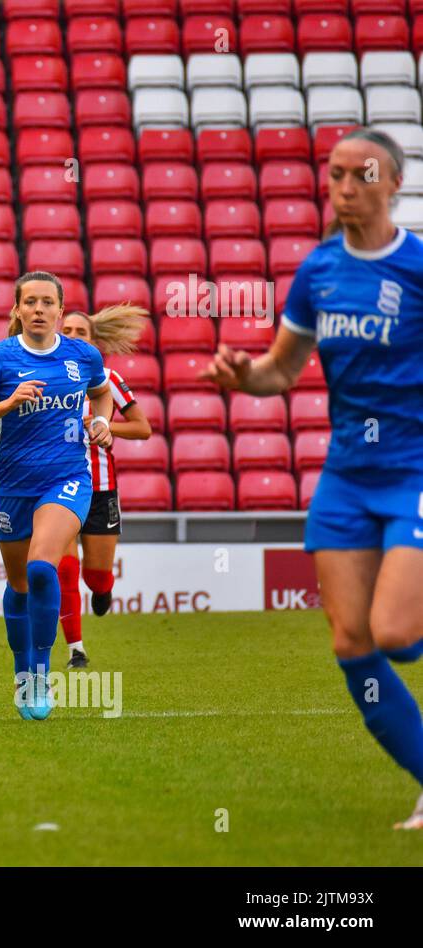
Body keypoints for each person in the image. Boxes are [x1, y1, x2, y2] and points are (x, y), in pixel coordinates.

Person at [200, 128, 423, 830]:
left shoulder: (417, 266)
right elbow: (282, 370)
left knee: (396, 632)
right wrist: (243, 378)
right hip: (347, 476)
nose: (346, 187)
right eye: (335, 176)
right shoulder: (319, 271)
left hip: (414, 469)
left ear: (394, 183)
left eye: (362, 175)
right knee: (351, 642)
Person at [0, 272, 114, 720]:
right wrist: (7, 404)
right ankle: (22, 672)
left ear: (61, 311)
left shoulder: (83, 355)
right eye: (31, 302)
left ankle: (42, 675)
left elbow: (102, 395)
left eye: (48, 302)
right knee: (20, 584)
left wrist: (101, 423)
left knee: (43, 567)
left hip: (67, 479)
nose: (39, 309)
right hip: (12, 487)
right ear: (18, 310)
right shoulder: (0, 359)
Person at [57, 305, 152, 667]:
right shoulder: (42, 375)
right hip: (58, 486)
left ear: (93, 341)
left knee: (95, 577)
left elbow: (142, 427)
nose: (73, 336)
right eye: (68, 330)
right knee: (65, 569)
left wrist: (106, 428)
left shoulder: (107, 379)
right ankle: (76, 650)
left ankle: (103, 589)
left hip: (101, 489)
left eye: (81, 332)